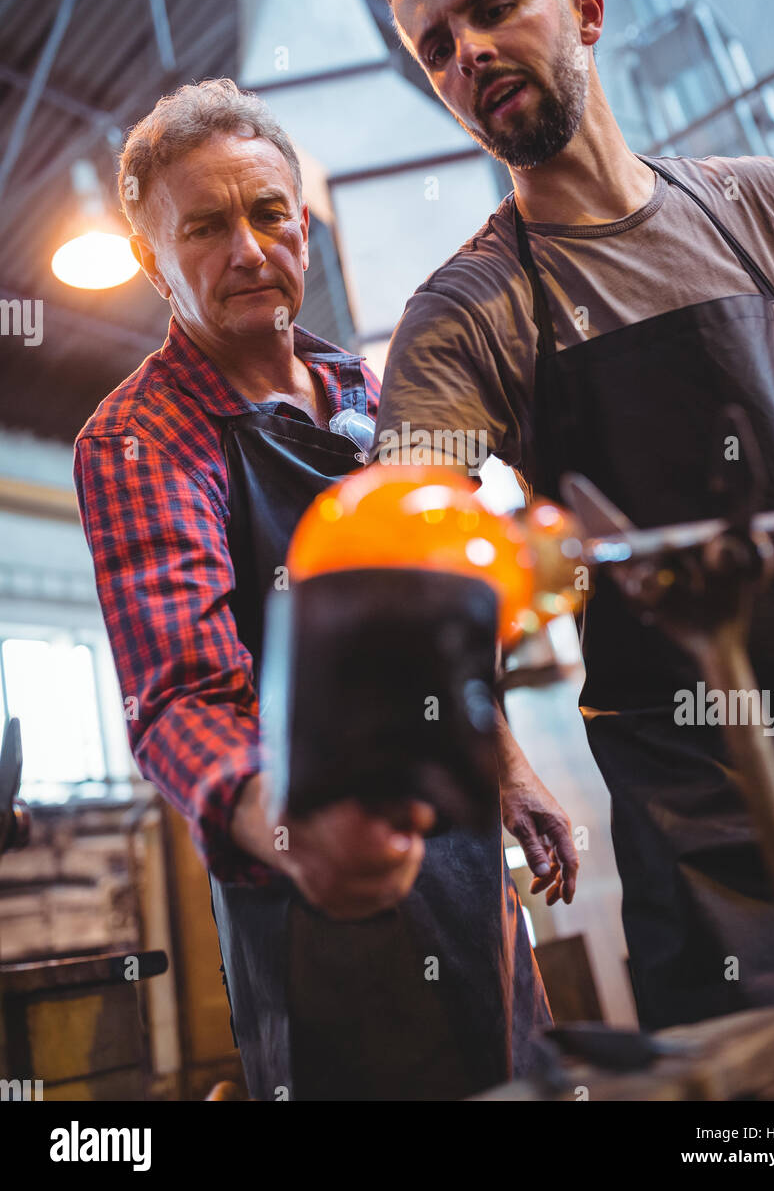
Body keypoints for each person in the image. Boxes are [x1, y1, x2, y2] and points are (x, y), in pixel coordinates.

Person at [371, 0, 774, 1030]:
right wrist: (496, 755)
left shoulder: (767, 207)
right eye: (436, 47)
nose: (468, 54)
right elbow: (410, 561)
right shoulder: (465, 313)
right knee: (763, 1119)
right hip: (704, 802)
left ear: (583, 10)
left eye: (491, 10)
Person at [73, 78, 576, 1101]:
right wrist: (291, 823)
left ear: (301, 226)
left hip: (458, 840)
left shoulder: (360, 388)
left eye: (267, 214)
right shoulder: (139, 438)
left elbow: (426, 613)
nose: (249, 250)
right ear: (149, 259)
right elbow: (179, 700)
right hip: (306, 879)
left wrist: (503, 764)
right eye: (205, 227)